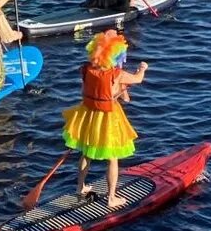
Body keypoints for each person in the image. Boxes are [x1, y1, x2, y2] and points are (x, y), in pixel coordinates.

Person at [61, 30, 148, 209]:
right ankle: (111, 198)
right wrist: (142, 69)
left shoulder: (86, 69)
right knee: (113, 158)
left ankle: (80, 187)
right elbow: (138, 79)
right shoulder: (117, 74)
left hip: (89, 114)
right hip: (108, 117)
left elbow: (84, 91)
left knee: (86, 152)